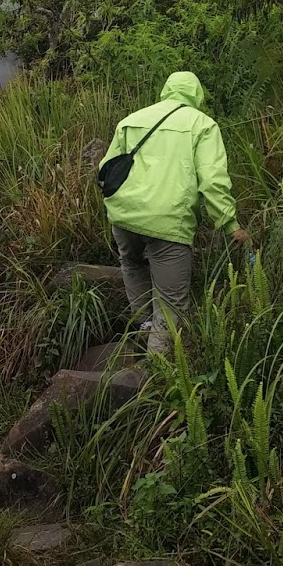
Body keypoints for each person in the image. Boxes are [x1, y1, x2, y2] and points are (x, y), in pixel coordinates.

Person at [99, 71, 247, 355]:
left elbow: (106, 170)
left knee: (131, 263)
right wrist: (230, 224)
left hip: (123, 216)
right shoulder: (202, 124)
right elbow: (213, 181)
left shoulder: (130, 121)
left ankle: (144, 327)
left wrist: (120, 206)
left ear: (166, 90)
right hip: (168, 222)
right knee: (170, 307)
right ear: (197, 95)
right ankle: (155, 378)